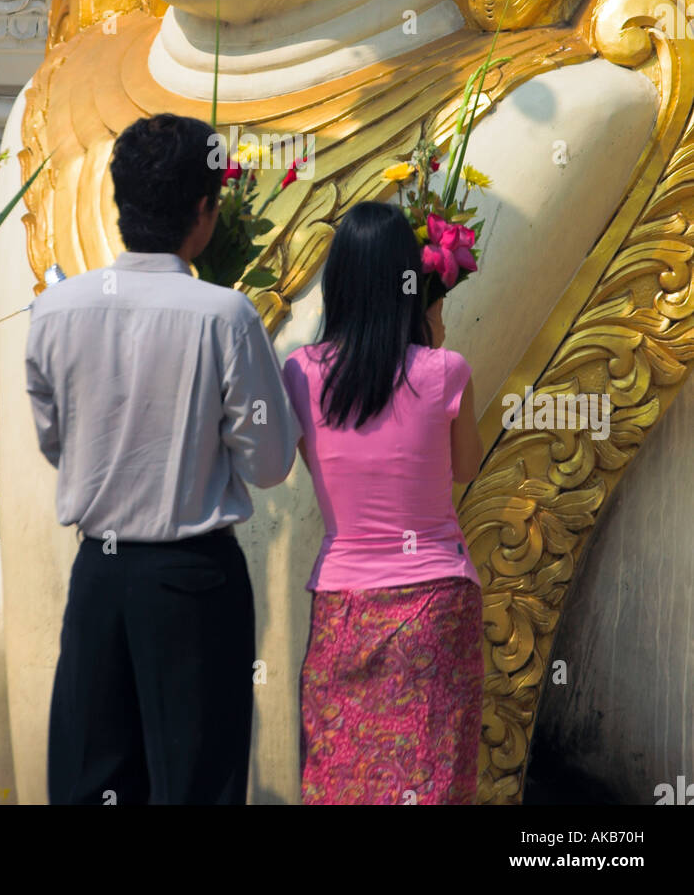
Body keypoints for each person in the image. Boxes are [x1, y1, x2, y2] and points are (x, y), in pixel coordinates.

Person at [25, 113, 301, 806]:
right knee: (196, 787)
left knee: (92, 783)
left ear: (121, 204)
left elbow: (55, 441)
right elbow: (270, 463)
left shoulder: (56, 310)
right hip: (192, 583)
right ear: (204, 212)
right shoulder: (224, 316)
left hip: (99, 575)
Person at [282, 201, 484, 806]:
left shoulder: (300, 372)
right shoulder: (445, 371)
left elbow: (311, 465)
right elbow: (467, 468)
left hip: (343, 605)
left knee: (342, 778)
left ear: (338, 281)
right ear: (412, 283)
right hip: (435, 605)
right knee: (433, 778)